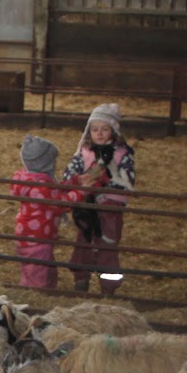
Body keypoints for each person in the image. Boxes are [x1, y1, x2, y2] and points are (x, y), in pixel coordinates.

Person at [63, 102, 136, 295]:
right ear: (89, 131)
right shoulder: (83, 153)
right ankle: (81, 281)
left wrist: (104, 184)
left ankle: (108, 289)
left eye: (104, 129)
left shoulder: (122, 154)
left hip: (110, 207)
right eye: (95, 129)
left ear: (113, 130)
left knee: (108, 243)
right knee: (83, 241)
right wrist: (80, 180)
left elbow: (128, 180)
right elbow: (68, 174)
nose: (100, 133)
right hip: (86, 206)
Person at [9, 134, 86, 290]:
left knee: (45, 272)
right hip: (37, 240)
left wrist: (76, 181)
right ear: (45, 163)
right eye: (53, 161)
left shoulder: (33, 181)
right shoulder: (39, 187)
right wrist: (82, 191)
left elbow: (56, 192)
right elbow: (61, 203)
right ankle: (34, 300)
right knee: (37, 277)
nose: (55, 164)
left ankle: (47, 294)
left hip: (33, 237)